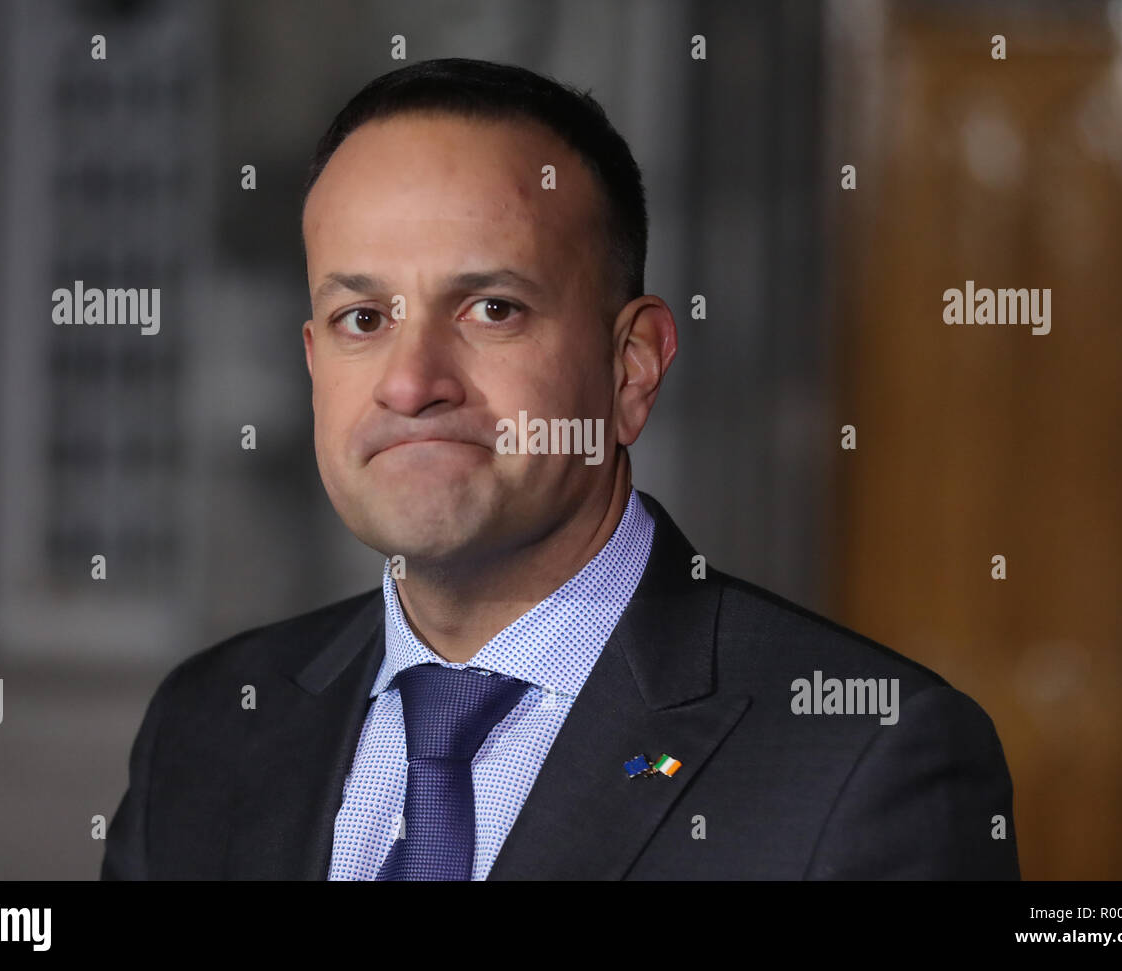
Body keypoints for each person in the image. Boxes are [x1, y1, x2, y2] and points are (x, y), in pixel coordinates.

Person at [101, 57, 1020, 880]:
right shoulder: (211, 723)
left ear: (632, 366)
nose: (412, 383)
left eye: (493, 309)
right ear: (313, 363)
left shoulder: (861, 758)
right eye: (363, 320)